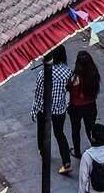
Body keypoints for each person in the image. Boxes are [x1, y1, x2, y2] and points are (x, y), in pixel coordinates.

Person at [31, 46, 73, 176]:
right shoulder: (68, 72)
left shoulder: (43, 74)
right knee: (59, 134)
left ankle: (43, 151)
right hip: (59, 109)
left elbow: (38, 94)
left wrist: (34, 110)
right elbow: (69, 92)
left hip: (44, 109)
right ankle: (66, 162)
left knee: (42, 131)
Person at [67, 50, 101, 159]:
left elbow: (68, 88)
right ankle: (96, 149)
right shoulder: (94, 75)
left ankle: (77, 151)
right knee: (90, 129)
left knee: (75, 129)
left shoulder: (74, 78)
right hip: (91, 105)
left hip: (76, 107)